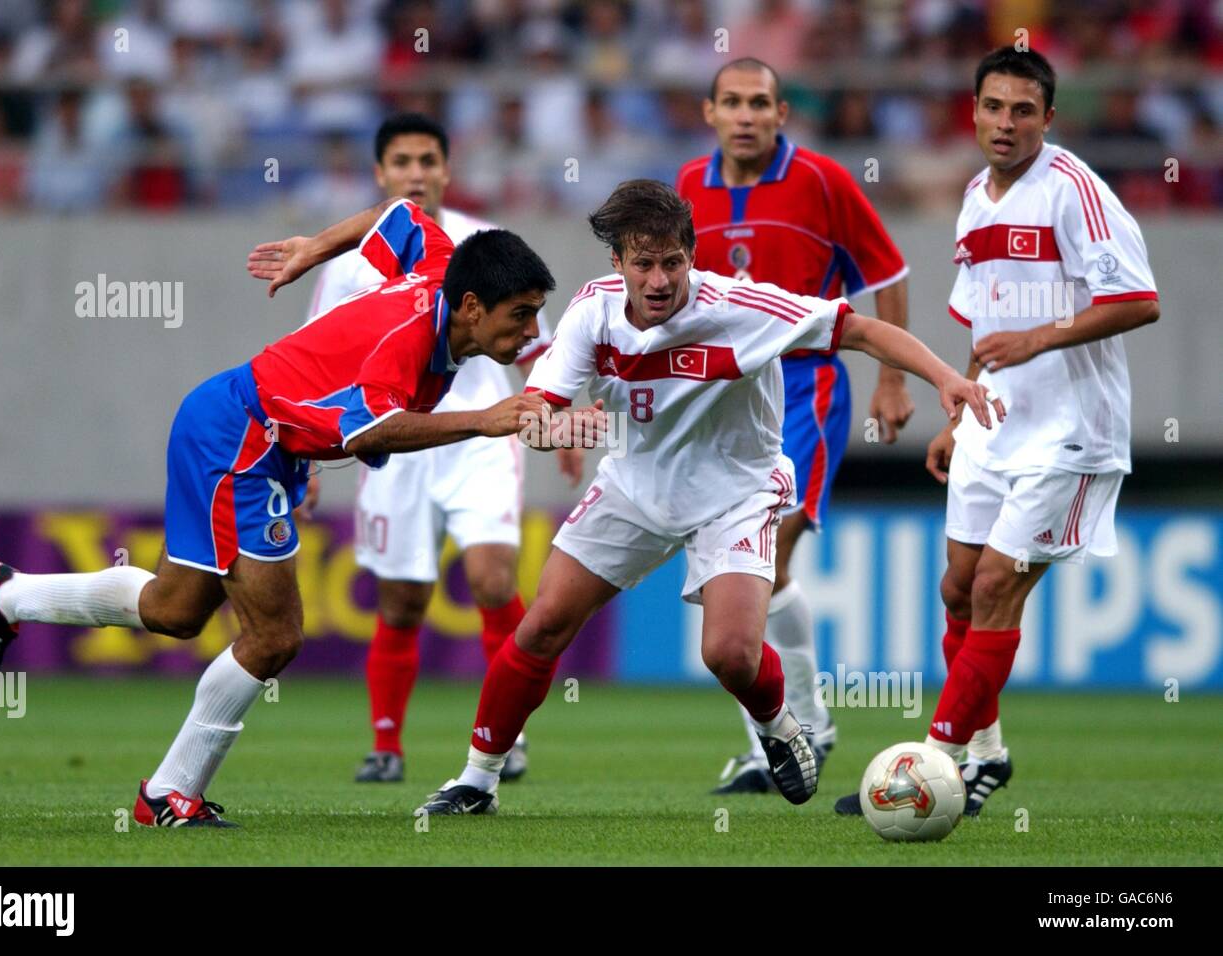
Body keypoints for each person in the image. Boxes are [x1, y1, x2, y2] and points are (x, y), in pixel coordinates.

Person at [0, 197, 560, 828]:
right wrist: (485, 421)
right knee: (275, 636)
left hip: (238, 426)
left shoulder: (447, 264)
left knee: (176, 610)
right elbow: (371, 432)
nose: (531, 333)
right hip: (241, 445)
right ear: (471, 306)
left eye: (535, 315)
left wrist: (314, 249)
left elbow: (402, 214)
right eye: (521, 316)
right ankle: (169, 793)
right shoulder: (405, 343)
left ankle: (9, 594)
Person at [411, 179, 1003, 815]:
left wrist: (945, 377)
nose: (659, 280)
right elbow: (536, 415)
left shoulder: (741, 308)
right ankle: (477, 780)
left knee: (727, 653)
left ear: (693, 256)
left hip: (737, 494)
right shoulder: (593, 312)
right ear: (618, 264)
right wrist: (556, 427)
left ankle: (780, 726)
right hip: (634, 487)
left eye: (673, 262)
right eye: (643, 263)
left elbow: (856, 330)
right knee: (541, 625)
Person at [835, 47, 1159, 818]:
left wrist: (1039, 338)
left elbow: (1140, 301)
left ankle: (926, 768)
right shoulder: (976, 197)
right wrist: (959, 410)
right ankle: (987, 754)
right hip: (994, 420)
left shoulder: (1076, 192)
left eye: (1022, 111)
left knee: (993, 586)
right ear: (972, 111)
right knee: (955, 585)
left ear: (1048, 118)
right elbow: (986, 331)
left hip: (1071, 432)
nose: (1005, 123)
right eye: (992, 107)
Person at [296, 114, 579, 784]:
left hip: (481, 437)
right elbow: (319, 365)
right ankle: (386, 744)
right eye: (402, 161)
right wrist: (304, 459)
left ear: (448, 170)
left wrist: (560, 416)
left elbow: (539, 343)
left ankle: (505, 739)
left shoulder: (481, 245)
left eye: (428, 159)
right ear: (380, 174)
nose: (416, 173)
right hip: (394, 445)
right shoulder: (347, 266)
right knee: (402, 602)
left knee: (492, 580)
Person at [676, 58, 913, 793]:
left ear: (782, 114)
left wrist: (893, 376)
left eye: (760, 103)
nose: (746, 115)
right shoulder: (685, 189)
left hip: (806, 388)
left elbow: (887, 272)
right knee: (732, 575)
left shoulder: (821, 181)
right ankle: (776, 739)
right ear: (709, 111)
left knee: (770, 554)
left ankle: (802, 727)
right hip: (722, 401)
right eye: (732, 103)